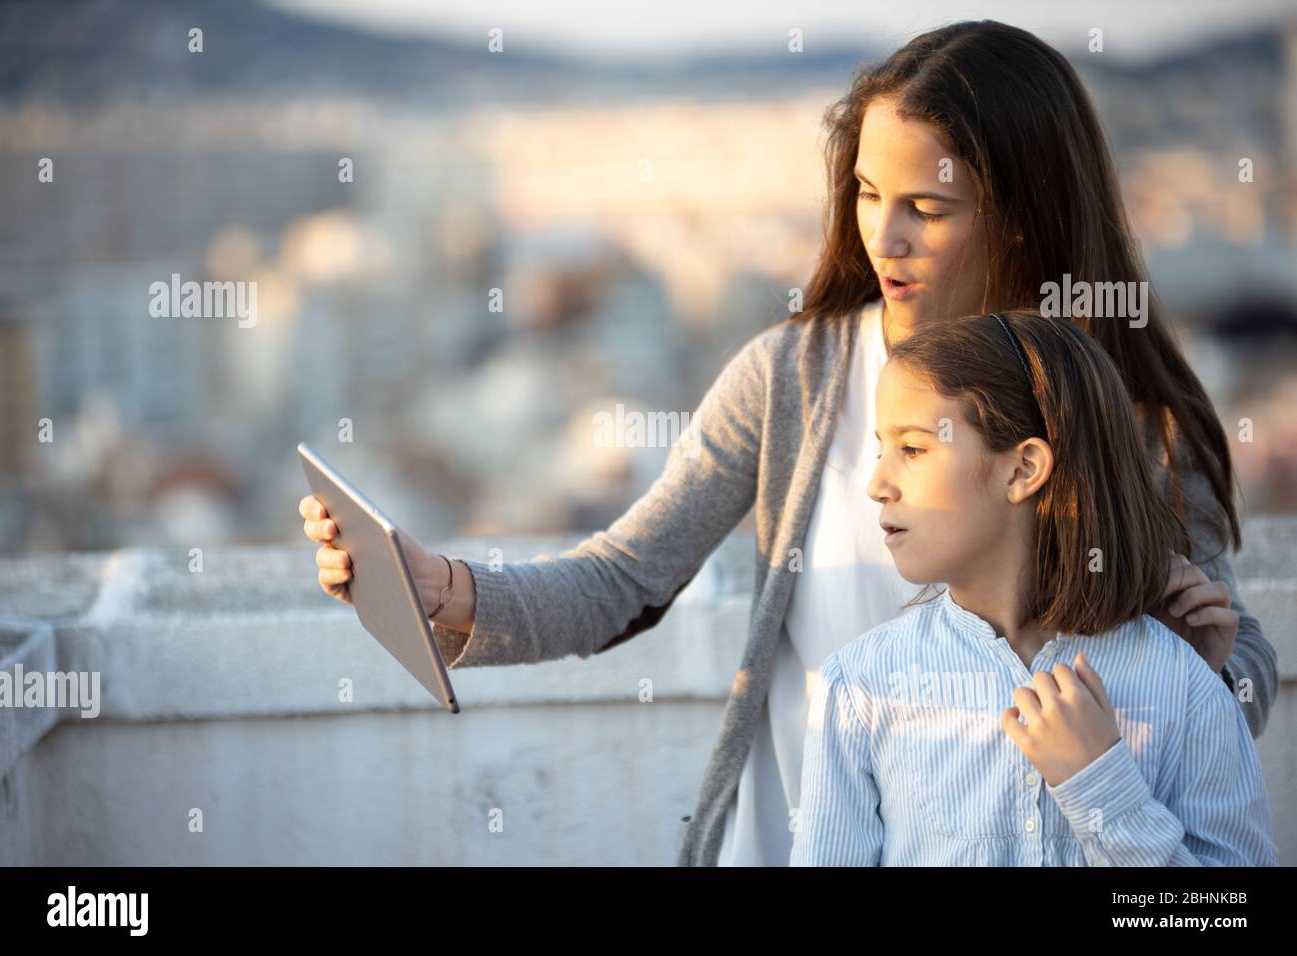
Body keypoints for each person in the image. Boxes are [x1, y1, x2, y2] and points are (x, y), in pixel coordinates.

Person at [299, 20, 1278, 866]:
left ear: (1022, 218)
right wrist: (445, 588)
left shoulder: (1128, 413)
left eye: (926, 209)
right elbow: (625, 575)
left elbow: (1234, 684)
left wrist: (1196, 672)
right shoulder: (791, 377)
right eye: (864, 192)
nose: (882, 236)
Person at [789, 310, 1277, 866]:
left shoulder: (1186, 684)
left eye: (914, 449)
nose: (877, 485)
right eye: (881, 449)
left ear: (1022, 469)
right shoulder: (857, 689)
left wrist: (1101, 786)